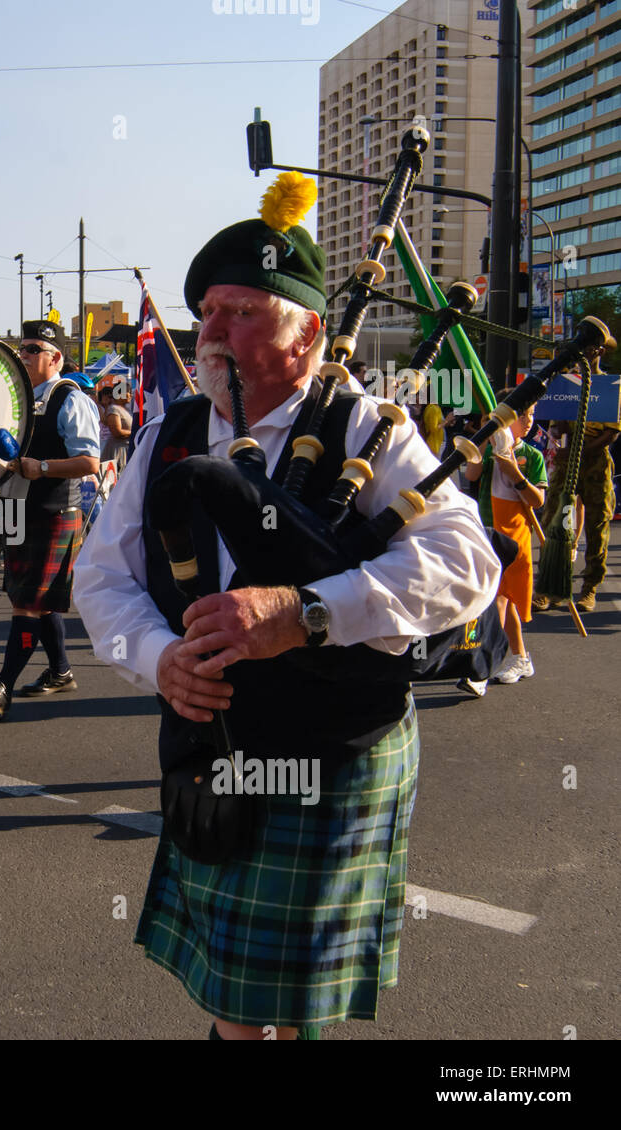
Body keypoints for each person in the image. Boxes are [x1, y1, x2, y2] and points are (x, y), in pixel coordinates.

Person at [73, 175, 499, 1040]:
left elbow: (465, 563)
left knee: (283, 1001)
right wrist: (159, 657)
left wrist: (308, 611)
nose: (213, 331)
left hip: (335, 742)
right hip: (214, 742)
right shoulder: (169, 435)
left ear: (307, 337)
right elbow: (100, 578)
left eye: (242, 312)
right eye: (209, 311)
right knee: (243, 1001)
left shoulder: (364, 428)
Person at [0, 320, 100, 717]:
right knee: (35, 601)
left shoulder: (71, 400)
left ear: (55, 357)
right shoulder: (20, 400)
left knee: (28, 602)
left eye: (31, 349)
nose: (22, 356)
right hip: (20, 508)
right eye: (21, 348)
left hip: (56, 510)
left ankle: (1, 687)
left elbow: (89, 462)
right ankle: (60, 671)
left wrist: (38, 467)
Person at [465, 395, 546, 685]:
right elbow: (471, 474)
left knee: (497, 599)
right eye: (523, 415)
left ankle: (480, 670)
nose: (529, 421)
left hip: (513, 538)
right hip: (486, 531)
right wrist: (485, 438)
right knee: (505, 600)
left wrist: (515, 474)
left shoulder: (533, 456)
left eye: (532, 414)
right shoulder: (489, 453)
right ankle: (520, 658)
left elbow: (537, 501)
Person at [532, 418, 620, 614]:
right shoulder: (567, 388)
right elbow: (554, 425)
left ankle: (590, 587)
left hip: (595, 460)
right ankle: (548, 587)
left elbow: (612, 433)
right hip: (566, 458)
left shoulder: (609, 387)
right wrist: (557, 431)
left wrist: (581, 451)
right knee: (553, 521)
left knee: (597, 525)